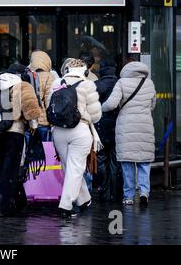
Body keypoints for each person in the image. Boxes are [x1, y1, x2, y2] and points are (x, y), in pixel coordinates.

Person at [50, 59, 102, 219]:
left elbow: (49, 106)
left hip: (58, 131)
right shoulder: (88, 85)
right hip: (80, 130)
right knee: (76, 169)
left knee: (69, 168)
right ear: (84, 71)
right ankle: (65, 206)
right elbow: (96, 115)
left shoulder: (57, 82)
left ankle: (84, 199)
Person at [101, 60, 156, 207]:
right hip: (145, 125)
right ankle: (144, 192)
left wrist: (100, 108)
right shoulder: (149, 83)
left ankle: (129, 196)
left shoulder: (122, 82)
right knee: (144, 163)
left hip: (126, 126)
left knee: (127, 163)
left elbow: (112, 104)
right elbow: (152, 104)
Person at [0, 63, 41, 216]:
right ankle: (3, 206)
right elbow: (30, 108)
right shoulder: (23, 85)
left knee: (3, 170)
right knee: (10, 171)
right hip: (14, 132)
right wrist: (34, 125)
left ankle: (19, 200)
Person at [94, 60, 122, 202]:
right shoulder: (120, 84)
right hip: (118, 127)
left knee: (101, 160)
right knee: (115, 162)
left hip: (101, 128)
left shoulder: (97, 85)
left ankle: (102, 191)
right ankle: (115, 193)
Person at [27, 50, 55, 141]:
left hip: (30, 122)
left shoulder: (28, 76)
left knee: (29, 152)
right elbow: (49, 100)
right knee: (49, 152)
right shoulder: (49, 76)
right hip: (44, 122)